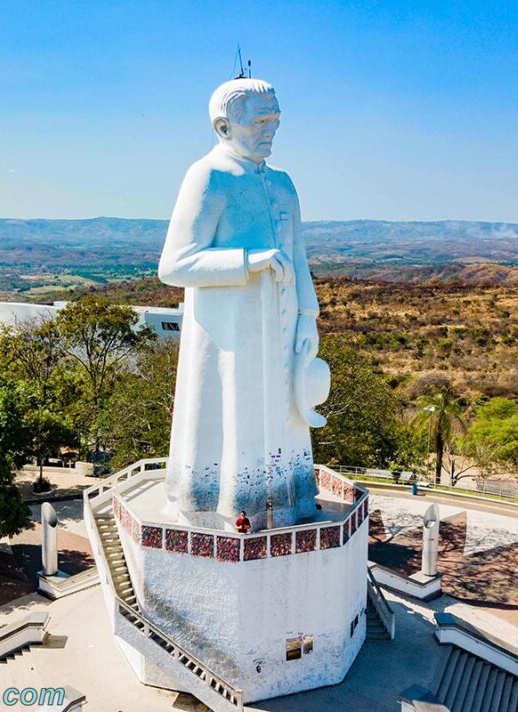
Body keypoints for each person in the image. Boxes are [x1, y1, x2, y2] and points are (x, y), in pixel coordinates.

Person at [159, 77, 329, 530]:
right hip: (230, 336)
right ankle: (227, 506)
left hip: (284, 328)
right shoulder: (208, 175)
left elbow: (299, 255)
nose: (271, 130)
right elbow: (173, 265)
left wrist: (308, 316)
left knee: (285, 418)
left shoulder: (284, 183)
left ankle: (288, 500)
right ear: (224, 126)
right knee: (233, 419)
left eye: (276, 120)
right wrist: (249, 261)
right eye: (260, 121)